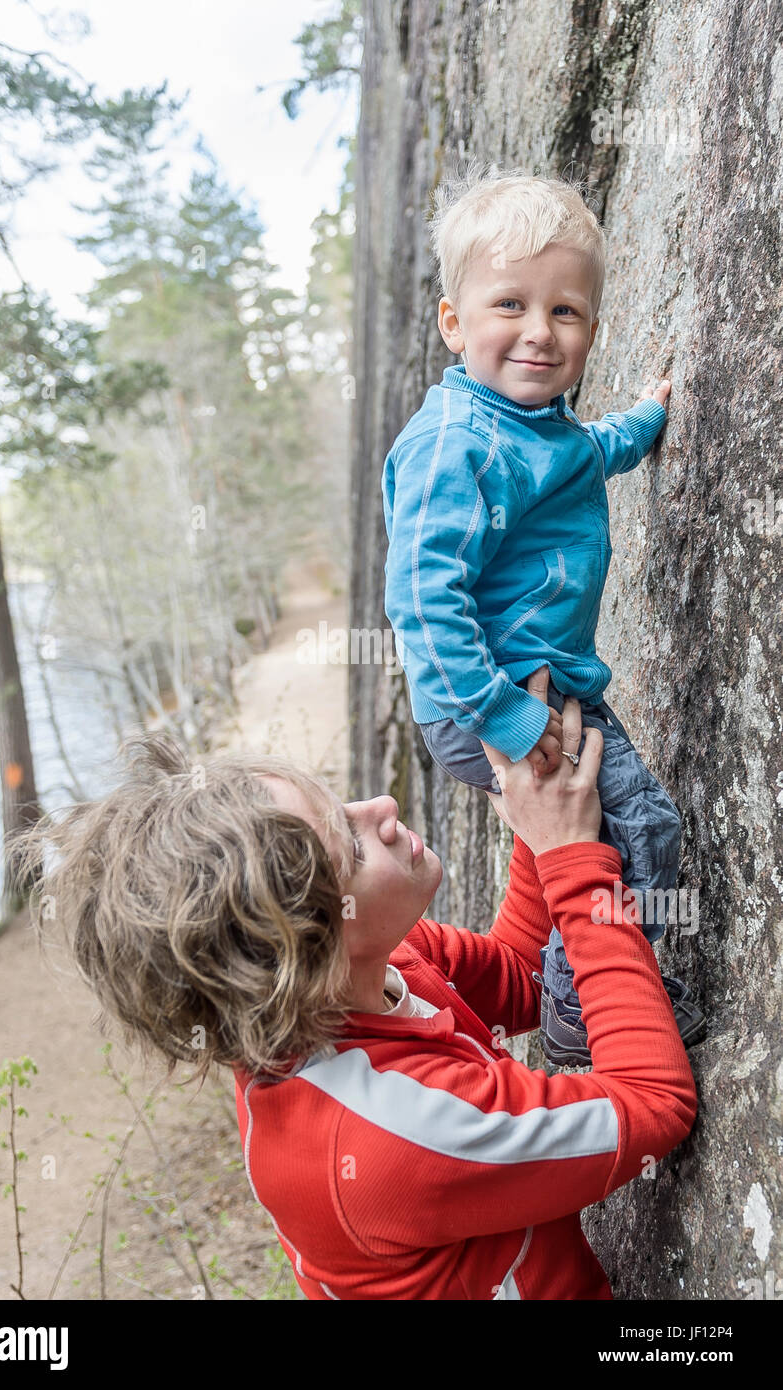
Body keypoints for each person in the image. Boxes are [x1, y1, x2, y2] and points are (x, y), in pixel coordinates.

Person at [16, 671, 698, 1301]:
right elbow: (653, 1105)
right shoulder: (385, 1139)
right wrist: (570, 857)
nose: (383, 805)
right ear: (303, 952)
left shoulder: (371, 973)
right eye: (350, 842)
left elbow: (523, 978)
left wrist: (538, 821)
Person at [381, 163, 705, 1063]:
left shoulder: (535, 426)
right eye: (509, 305)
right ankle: (581, 1011)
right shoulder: (457, 444)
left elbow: (582, 453)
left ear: (592, 328)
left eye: (564, 312)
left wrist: (647, 420)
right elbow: (420, 600)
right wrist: (512, 719)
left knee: (629, 826)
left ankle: (590, 982)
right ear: (455, 323)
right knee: (635, 826)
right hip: (491, 699)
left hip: (538, 692)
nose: (538, 332)